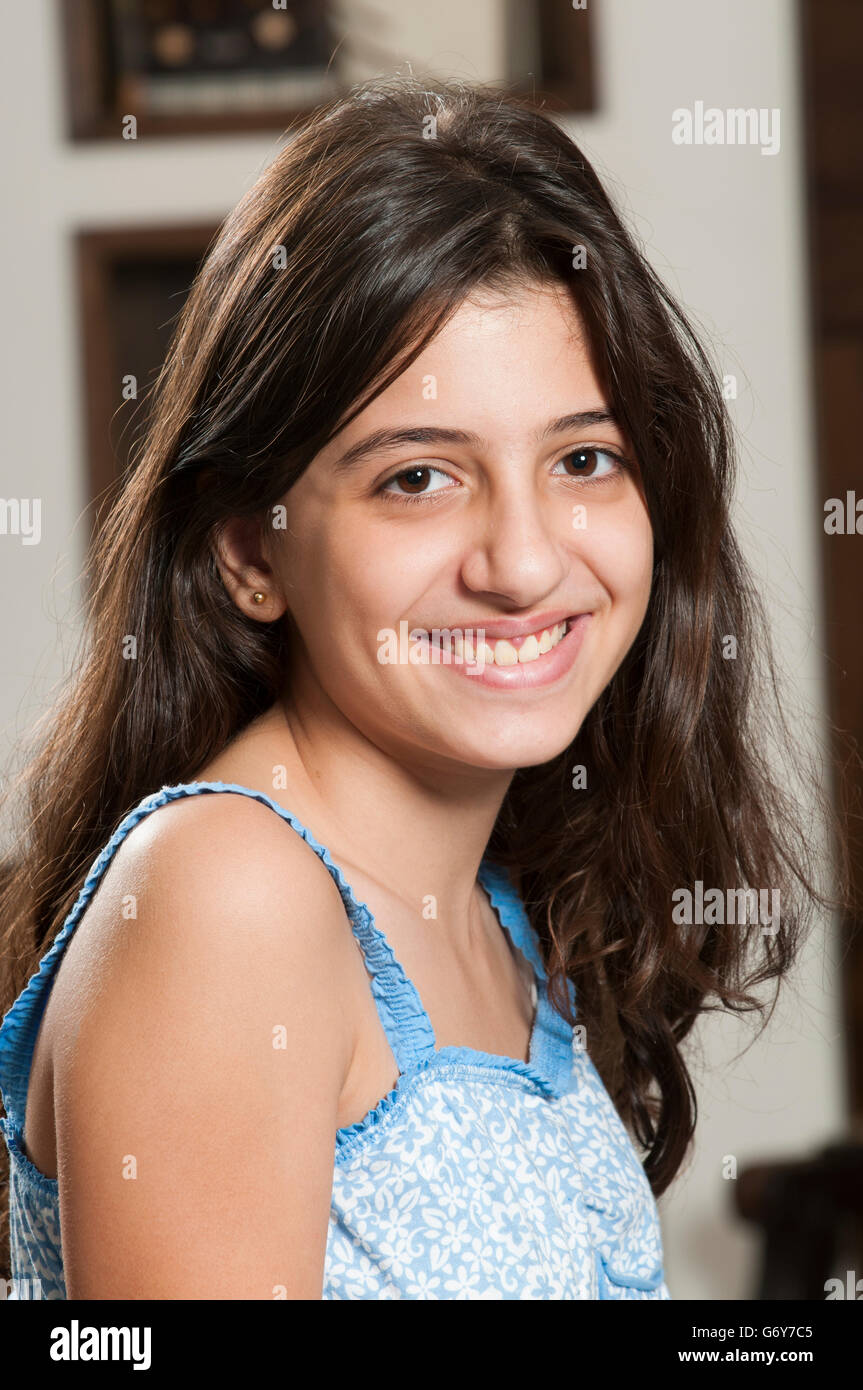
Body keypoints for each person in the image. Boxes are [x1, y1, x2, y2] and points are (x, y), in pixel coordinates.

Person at [0, 76, 841, 1300]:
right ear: (249, 549)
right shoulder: (228, 899)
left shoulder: (503, 910)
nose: (524, 561)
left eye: (583, 459)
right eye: (416, 479)